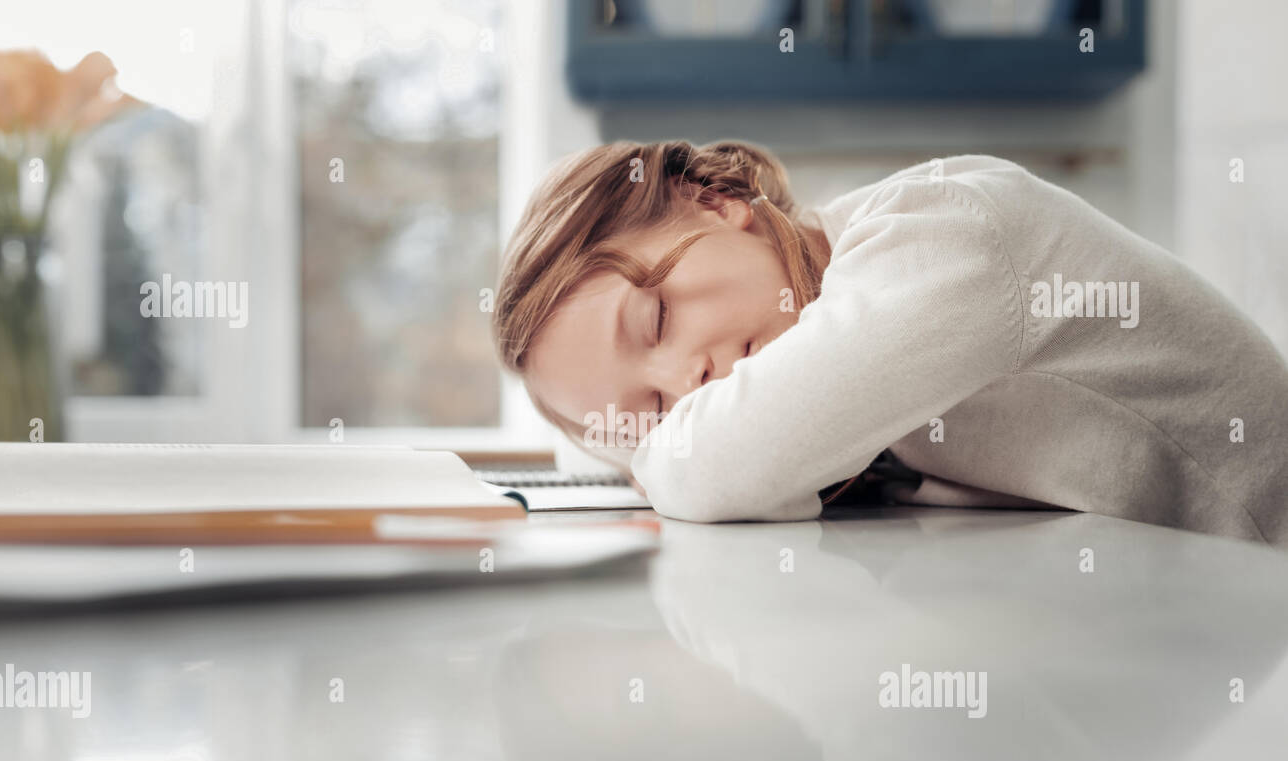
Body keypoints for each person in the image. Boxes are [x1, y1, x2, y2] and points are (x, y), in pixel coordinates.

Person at [493, 141, 1288, 545]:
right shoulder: (843, 340)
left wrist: (655, 452)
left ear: (718, 198)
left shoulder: (938, 234)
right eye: (656, 407)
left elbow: (721, 467)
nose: (689, 383)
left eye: (657, 319)